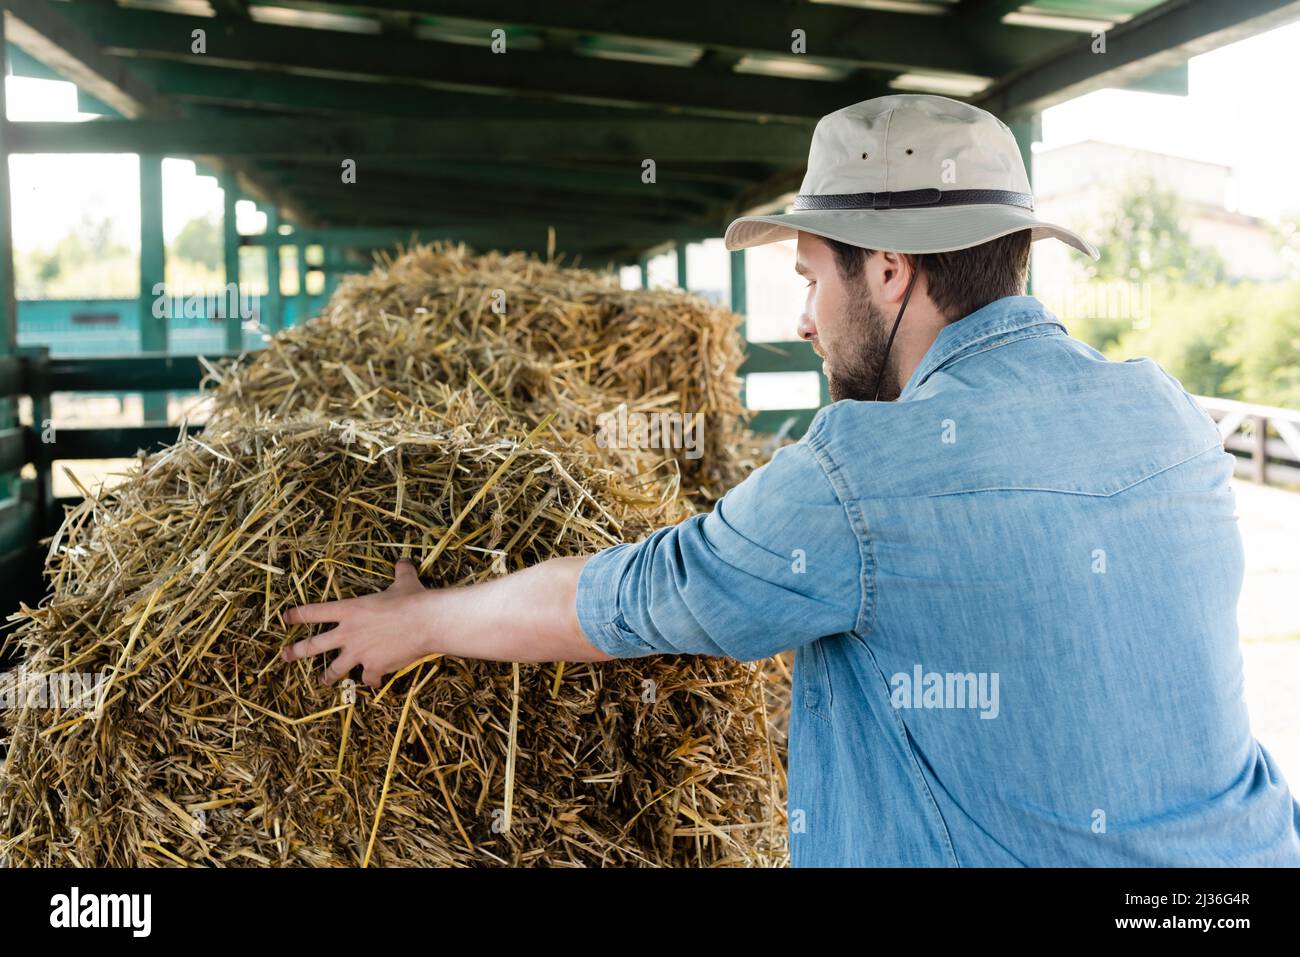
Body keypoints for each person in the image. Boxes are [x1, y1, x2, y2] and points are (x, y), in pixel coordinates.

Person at [282, 94, 1300, 866]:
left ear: (890, 270)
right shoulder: (1164, 407)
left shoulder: (859, 472)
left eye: (812, 276)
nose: (802, 320)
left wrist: (417, 624)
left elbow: (625, 601)